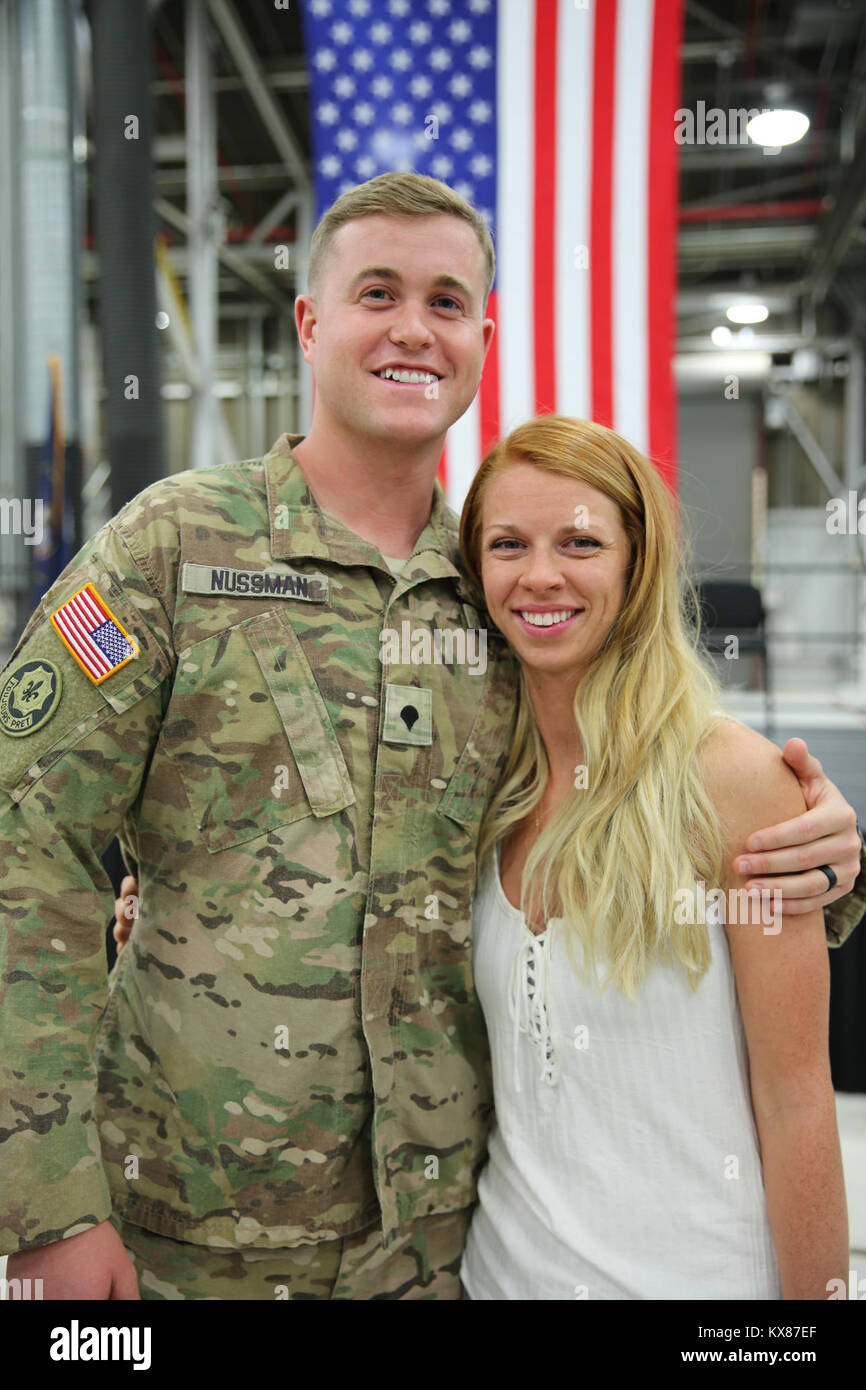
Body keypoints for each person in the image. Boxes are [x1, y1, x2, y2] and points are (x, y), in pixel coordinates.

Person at [2, 175, 863, 1302]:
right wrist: (48, 1199)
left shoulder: (503, 589)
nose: (413, 327)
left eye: (446, 301)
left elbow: (647, 775)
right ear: (310, 323)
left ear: (481, 339)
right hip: (183, 1238)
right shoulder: (176, 547)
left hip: (435, 1252)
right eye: (376, 292)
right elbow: (26, 849)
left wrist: (820, 852)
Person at [457, 416, 849, 1300]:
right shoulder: (477, 789)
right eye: (508, 544)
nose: (541, 575)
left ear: (636, 565)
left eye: (581, 542)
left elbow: (797, 1105)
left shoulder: (734, 784)